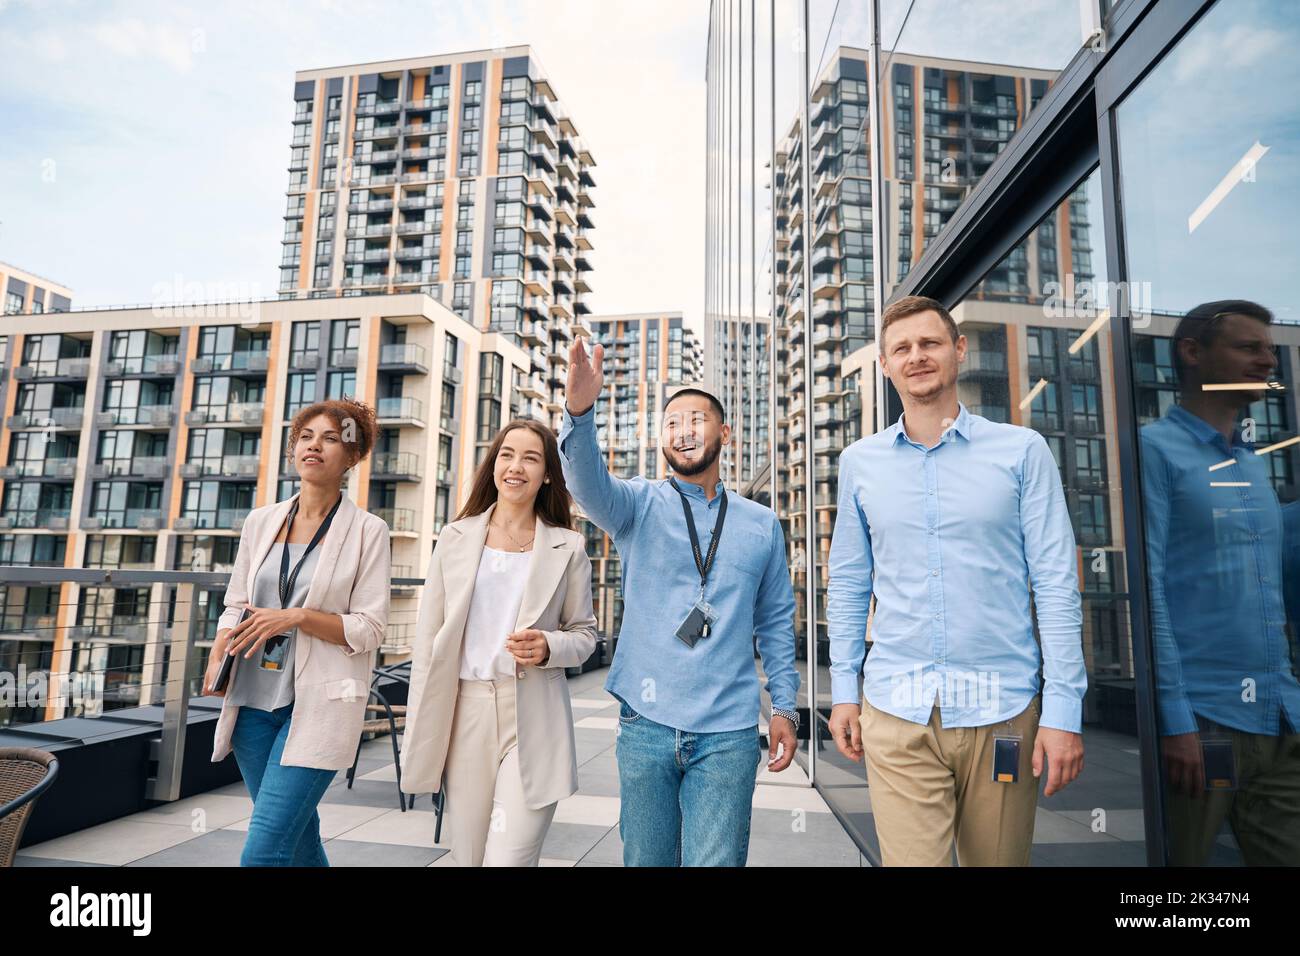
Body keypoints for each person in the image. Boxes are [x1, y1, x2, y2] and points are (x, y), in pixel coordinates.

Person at [826, 295, 1086, 866]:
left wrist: (1064, 711)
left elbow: (1056, 584)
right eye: (902, 348)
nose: (917, 356)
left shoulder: (1021, 452)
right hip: (897, 712)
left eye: (930, 343)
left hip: (1004, 715)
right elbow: (848, 583)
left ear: (958, 349)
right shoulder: (860, 463)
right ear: (885, 366)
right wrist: (844, 690)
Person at [558, 338, 800, 867]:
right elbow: (584, 482)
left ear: (725, 434)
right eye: (671, 423)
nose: (682, 431)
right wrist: (579, 413)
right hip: (645, 722)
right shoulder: (636, 506)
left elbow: (777, 622)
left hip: (729, 730)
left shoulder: (762, 525)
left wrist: (784, 706)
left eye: (695, 420)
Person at [1140, 299, 1300, 865]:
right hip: (1206, 724)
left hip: (1280, 717)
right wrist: (1175, 720)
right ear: (1192, 353)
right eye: (1248, 346)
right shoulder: (1153, 451)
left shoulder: (1253, 465)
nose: (1267, 359)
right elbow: (1149, 590)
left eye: (1270, 349)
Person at [399, 419, 596, 866]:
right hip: (465, 711)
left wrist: (549, 646)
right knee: (469, 857)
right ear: (493, 465)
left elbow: (584, 636)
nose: (516, 467)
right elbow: (429, 643)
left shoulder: (569, 546)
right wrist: (420, 728)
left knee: (508, 858)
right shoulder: (454, 538)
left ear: (547, 473)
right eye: (507, 455)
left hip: (532, 714)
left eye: (531, 458)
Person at [203, 397, 390, 867]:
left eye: (331, 438)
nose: (315, 446)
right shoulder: (261, 521)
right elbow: (235, 602)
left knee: (264, 848)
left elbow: (369, 629)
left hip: (318, 705)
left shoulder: (369, 531)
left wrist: (297, 617)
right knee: (298, 837)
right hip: (251, 702)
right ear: (293, 450)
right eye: (306, 437)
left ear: (353, 456)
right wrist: (221, 641)